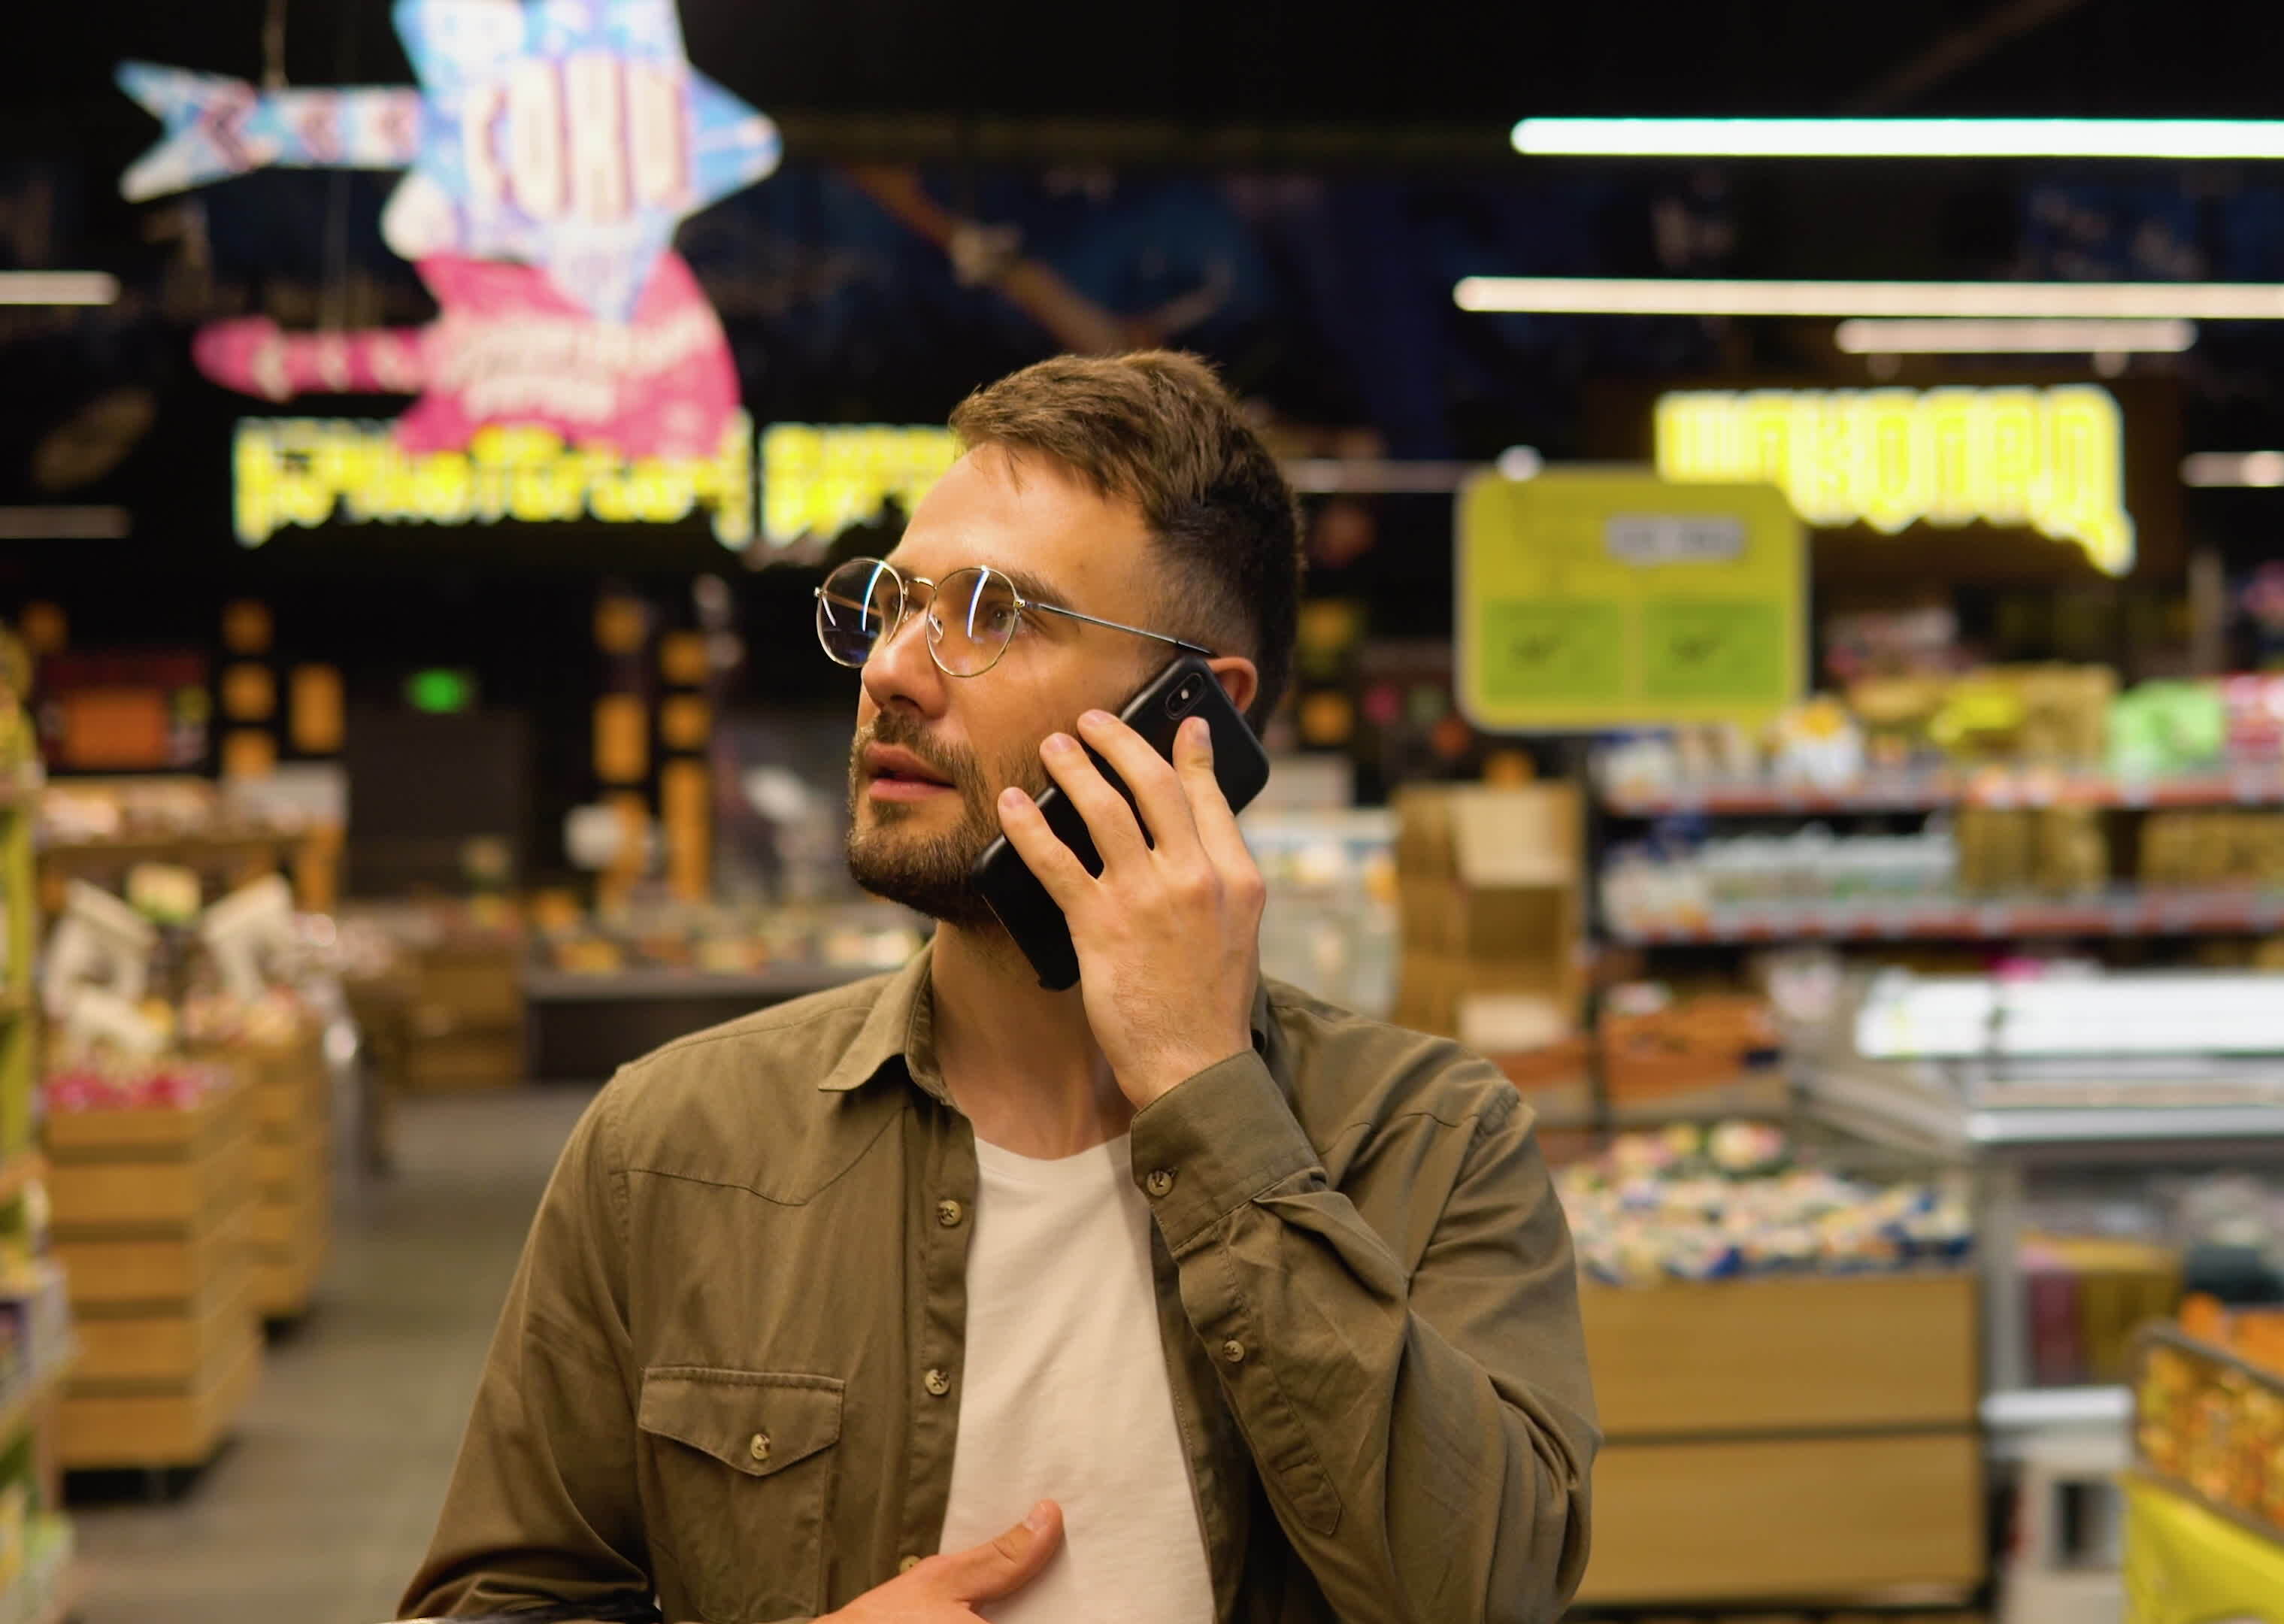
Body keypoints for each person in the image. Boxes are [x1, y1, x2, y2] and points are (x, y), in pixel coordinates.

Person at [398, 352, 1598, 1624]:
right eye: (897, 605)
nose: (894, 671)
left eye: (994, 614)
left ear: (1195, 718)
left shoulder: (1431, 1141)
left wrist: (1205, 1093)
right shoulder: (674, 1148)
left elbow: (1490, 1595)